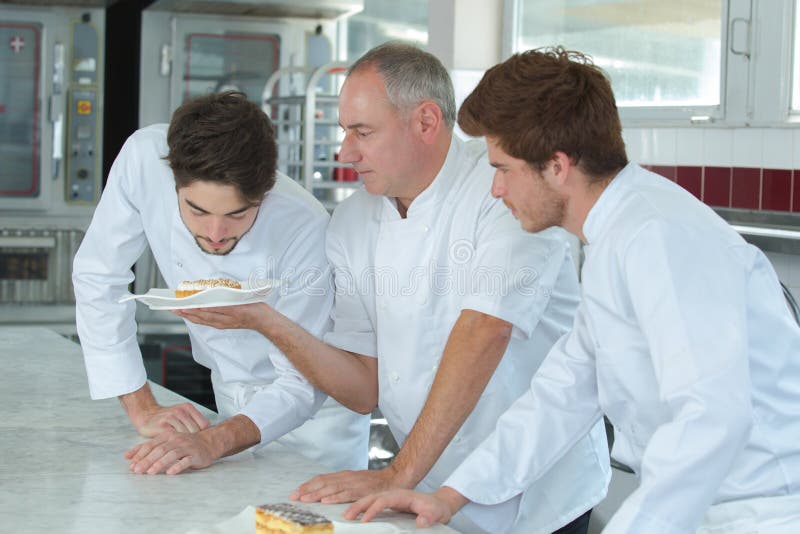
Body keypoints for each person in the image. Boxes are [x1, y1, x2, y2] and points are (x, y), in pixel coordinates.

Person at [344, 47, 800, 533]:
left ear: (557, 166)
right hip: (707, 511)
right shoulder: (614, 238)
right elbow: (564, 393)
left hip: (763, 514)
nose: (495, 189)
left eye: (503, 169)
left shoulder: (659, 236)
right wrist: (454, 496)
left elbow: (712, 419)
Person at [175, 43, 610, 534]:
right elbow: (363, 388)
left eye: (363, 132)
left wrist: (398, 472)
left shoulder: (505, 188)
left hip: (538, 489)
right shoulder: (353, 222)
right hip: (430, 490)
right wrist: (266, 320)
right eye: (344, 132)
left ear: (425, 122)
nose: (345, 153)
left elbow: (485, 330)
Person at [72, 91, 370, 476]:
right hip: (228, 399)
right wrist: (141, 405)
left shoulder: (304, 227)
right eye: (196, 210)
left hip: (317, 426)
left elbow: (300, 384)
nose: (215, 232)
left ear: (265, 193)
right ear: (173, 181)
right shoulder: (143, 160)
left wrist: (212, 442)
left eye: (237, 214)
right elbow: (99, 276)